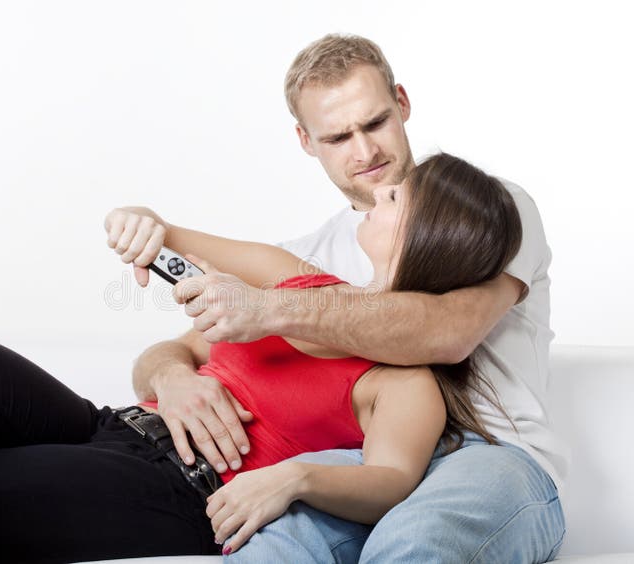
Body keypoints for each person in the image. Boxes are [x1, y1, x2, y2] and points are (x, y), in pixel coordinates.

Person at [0, 153, 519, 563]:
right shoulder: (297, 280)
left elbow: (391, 482)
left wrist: (296, 479)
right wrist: (173, 372)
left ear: (426, 238)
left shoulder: (405, 380)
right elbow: (165, 247)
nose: (379, 192)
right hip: (114, 424)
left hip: (178, 487)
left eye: (398, 197)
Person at [128, 34, 567, 562]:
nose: (365, 152)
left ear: (401, 103)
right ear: (306, 141)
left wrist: (271, 309)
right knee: (269, 544)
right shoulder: (307, 256)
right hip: (360, 460)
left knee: (417, 541)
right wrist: (173, 378)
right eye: (338, 137)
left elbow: (447, 332)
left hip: (488, 452)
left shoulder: (486, 206)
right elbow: (182, 346)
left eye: (375, 123)